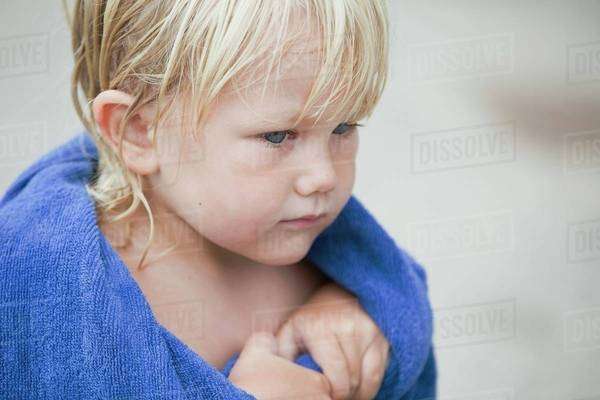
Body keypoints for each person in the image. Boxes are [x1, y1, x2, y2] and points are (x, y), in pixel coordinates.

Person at [0, 1, 436, 398]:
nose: (323, 176)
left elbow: (393, 289)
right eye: (277, 136)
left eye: (343, 127)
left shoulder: (322, 259)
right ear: (139, 131)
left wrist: (356, 308)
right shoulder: (53, 299)